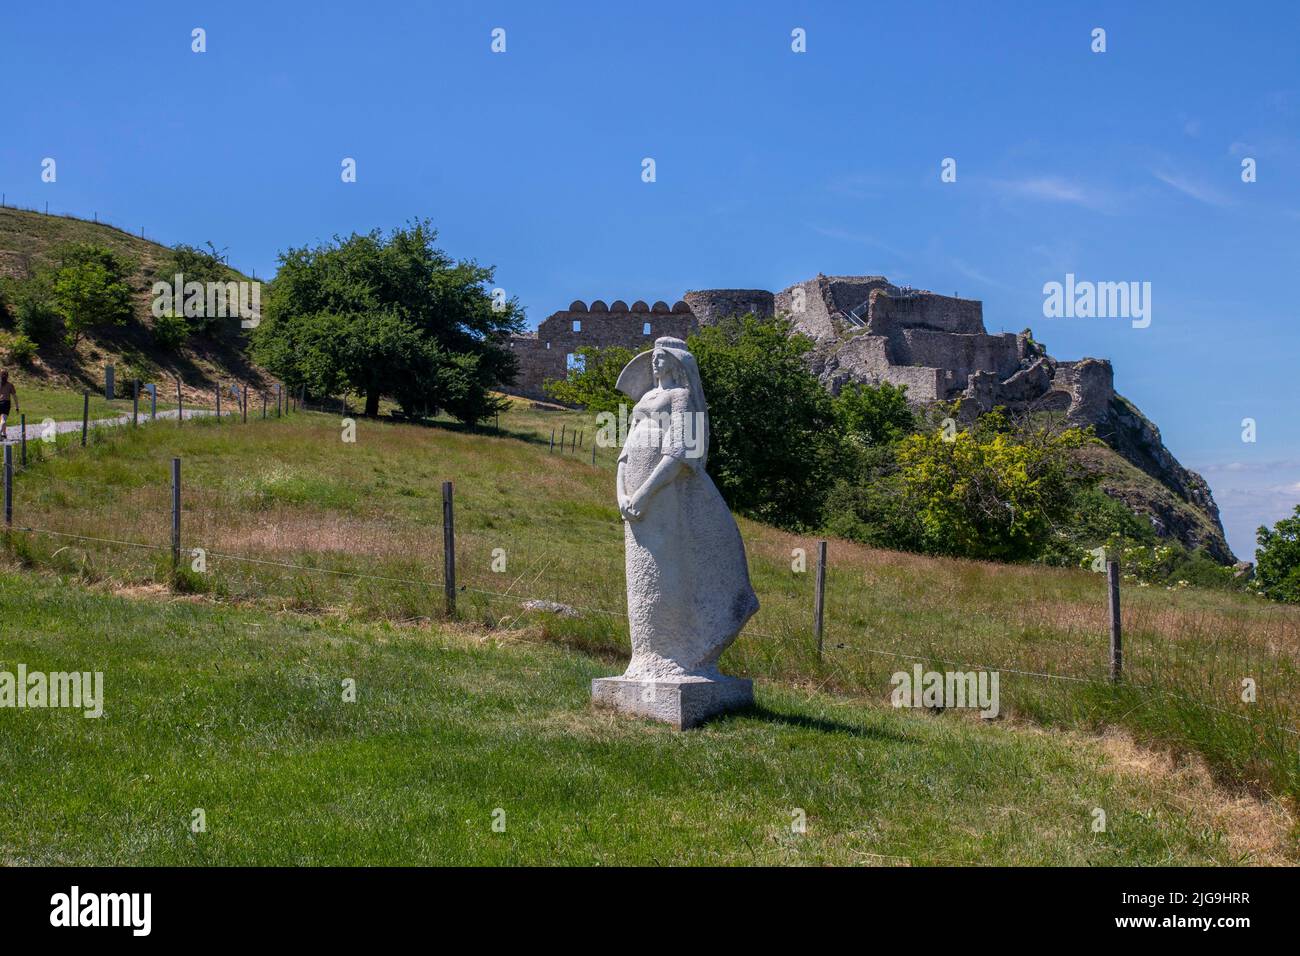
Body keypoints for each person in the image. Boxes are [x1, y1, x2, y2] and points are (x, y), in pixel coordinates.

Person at [614, 337, 759, 680]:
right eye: (652, 357)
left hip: (663, 494)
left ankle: (672, 654)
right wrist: (622, 492)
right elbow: (624, 452)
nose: (654, 362)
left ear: (677, 364)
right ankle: (643, 655)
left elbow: (680, 453)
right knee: (639, 572)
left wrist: (646, 492)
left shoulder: (681, 398)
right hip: (633, 499)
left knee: (663, 569)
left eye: (661, 357)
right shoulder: (645, 399)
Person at [0, 370, 18, 442]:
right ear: (7, 377)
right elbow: (14, 396)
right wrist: (17, 407)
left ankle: (4, 435)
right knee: (3, 420)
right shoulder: (10, 385)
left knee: (1, 420)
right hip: (5, 403)